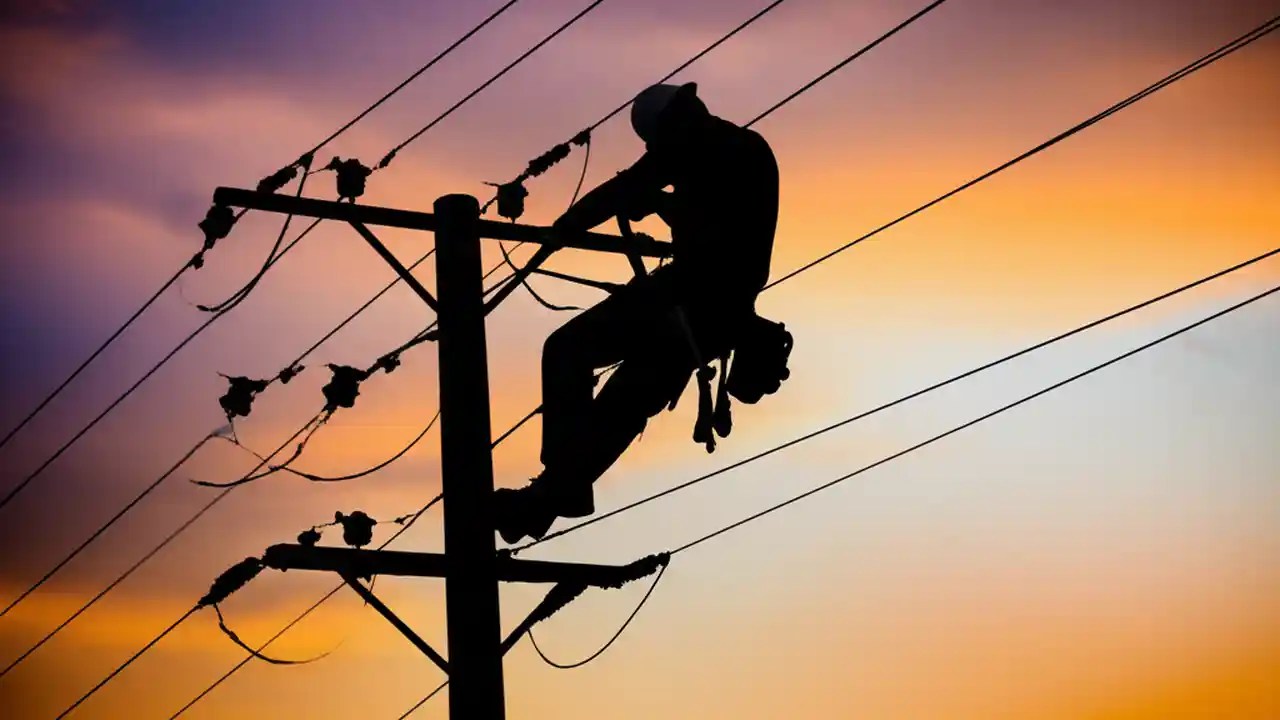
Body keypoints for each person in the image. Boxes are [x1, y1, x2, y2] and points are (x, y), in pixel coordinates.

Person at [494, 82, 780, 543]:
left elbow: (719, 233)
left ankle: (557, 488)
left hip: (703, 297)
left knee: (574, 353)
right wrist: (569, 226)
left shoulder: (732, 151)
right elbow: (627, 190)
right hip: (701, 305)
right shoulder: (699, 148)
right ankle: (555, 493)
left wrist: (659, 205)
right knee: (622, 397)